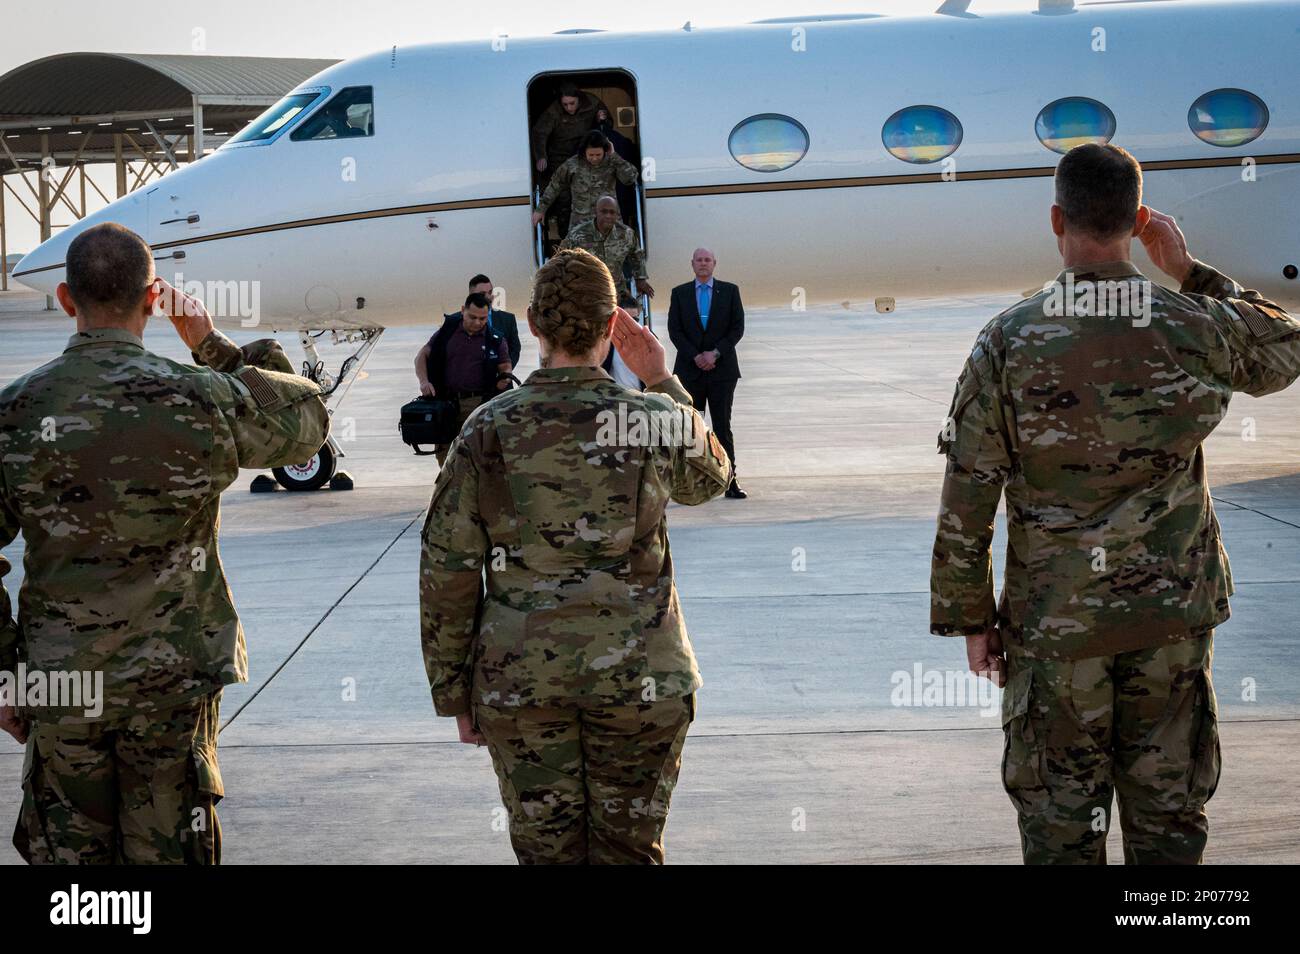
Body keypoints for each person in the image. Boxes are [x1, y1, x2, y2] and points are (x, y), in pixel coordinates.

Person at [930, 142, 1300, 865]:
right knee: (1168, 818)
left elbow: (968, 492)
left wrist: (970, 617)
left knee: (1062, 823)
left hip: (1056, 623)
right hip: (1171, 614)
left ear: (1056, 218)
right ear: (1137, 221)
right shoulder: (1194, 321)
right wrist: (1190, 270)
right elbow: (1284, 345)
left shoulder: (1008, 341)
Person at [0, 222, 330, 864]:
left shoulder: (15, 412)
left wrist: (8, 670)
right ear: (155, 300)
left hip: (63, 682)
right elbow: (306, 423)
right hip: (171, 681)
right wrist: (212, 346)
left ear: (66, 300)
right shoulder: (199, 397)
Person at [420, 248, 732, 864]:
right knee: (630, 852)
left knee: (547, 855)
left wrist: (454, 694)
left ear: (532, 324)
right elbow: (711, 478)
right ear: (614, 323)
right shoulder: (650, 419)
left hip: (524, 682)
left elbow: (447, 571)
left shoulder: (486, 430)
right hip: (641, 679)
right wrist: (661, 379)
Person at [667, 247, 746, 499]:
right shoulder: (679, 293)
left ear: (714, 264)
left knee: (723, 427)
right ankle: (689, 484)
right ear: (692, 264)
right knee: (690, 429)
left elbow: (737, 328)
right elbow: (675, 330)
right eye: (699, 260)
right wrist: (696, 356)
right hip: (690, 372)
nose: (703, 264)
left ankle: (730, 481)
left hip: (722, 371)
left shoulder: (730, 291)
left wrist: (715, 353)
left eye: (707, 260)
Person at [414, 291, 513, 465]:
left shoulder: (495, 339)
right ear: (462, 311)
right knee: (445, 458)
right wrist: (424, 381)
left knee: (477, 458)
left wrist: (504, 378)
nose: (477, 323)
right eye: (472, 317)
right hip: (446, 404)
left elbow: (505, 365)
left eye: (482, 319)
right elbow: (421, 356)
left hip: (477, 405)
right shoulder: (447, 332)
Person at [532, 131, 639, 239]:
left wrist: (614, 156)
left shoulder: (612, 162)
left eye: (598, 155)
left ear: (605, 151)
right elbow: (555, 186)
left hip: (609, 223)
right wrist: (540, 209)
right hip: (581, 226)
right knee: (580, 256)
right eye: (591, 155)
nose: (595, 158)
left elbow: (630, 178)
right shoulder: (572, 164)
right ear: (584, 152)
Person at [559, 195, 654, 301]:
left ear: (617, 214)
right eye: (604, 212)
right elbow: (560, 259)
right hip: (587, 294)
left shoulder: (626, 234)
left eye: (612, 212)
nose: (608, 216)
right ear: (596, 212)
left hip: (616, 293)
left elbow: (636, 254)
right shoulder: (577, 234)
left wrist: (640, 279)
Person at [451, 274, 521, 369]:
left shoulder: (508, 319)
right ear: (471, 296)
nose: (489, 297)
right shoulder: (453, 321)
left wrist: (503, 374)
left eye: (490, 292)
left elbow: (515, 350)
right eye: (482, 294)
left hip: (501, 381)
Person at [601, 294, 648, 390]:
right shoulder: (606, 342)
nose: (630, 323)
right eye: (626, 319)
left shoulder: (647, 341)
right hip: (619, 400)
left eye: (635, 319)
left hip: (641, 399)